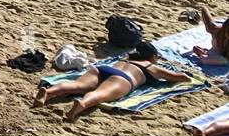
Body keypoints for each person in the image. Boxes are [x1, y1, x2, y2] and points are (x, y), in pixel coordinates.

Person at [33, 43, 193, 121]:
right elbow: (180, 78)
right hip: (123, 79)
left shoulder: (125, 59)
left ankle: (48, 93)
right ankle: (81, 105)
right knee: (99, 94)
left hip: (102, 69)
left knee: (77, 85)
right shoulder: (151, 66)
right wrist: (185, 75)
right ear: (151, 57)